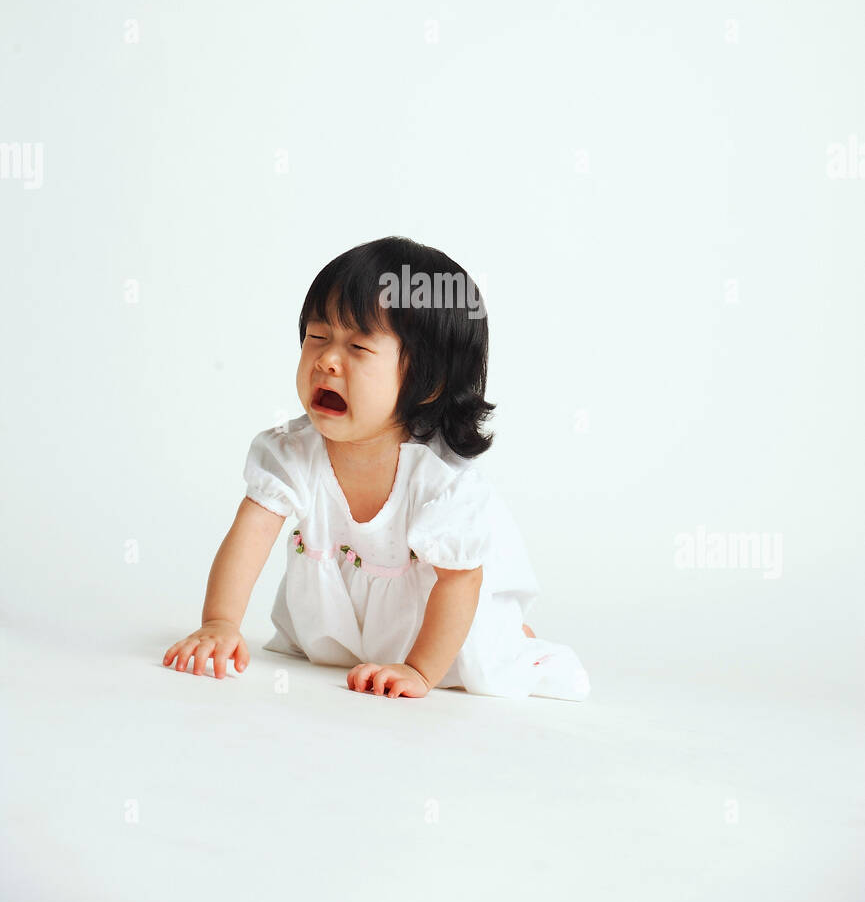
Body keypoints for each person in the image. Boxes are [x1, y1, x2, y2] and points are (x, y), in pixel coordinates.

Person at [163, 236, 591, 702]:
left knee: (488, 645)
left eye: (358, 348)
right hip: (346, 631)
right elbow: (250, 536)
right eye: (316, 336)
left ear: (429, 382)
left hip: (436, 626)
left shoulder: (439, 481)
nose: (326, 360)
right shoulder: (293, 453)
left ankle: (509, 627)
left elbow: (460, 580)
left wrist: (419, 671)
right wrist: (220, 623)